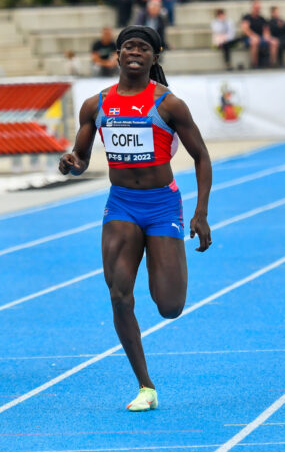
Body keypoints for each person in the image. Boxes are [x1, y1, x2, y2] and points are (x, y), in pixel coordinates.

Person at [58, 25, 212, 411]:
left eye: (143, 48)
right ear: (118, 54)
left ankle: (159, 266)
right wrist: (71, 163)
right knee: (119, 295)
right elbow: (81, 158)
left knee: (169, 306)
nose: (134, 52)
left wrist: (201, 212)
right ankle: (146, 385)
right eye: (128, 46)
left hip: (162, 205)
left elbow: (202, 157)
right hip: (121, 204)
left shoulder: (168, 105)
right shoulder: (96, 105)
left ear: (154, 57)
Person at [240, 0, 278, 68]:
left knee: (274, 42)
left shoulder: (262, 18)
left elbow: (266, 31)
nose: (257, 9)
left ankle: (272, 63)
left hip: (261, 38)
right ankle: (255, 64)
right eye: (256, 8)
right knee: (255, 41)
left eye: (258, 8)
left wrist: (267, 37)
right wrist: (253, 36)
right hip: (249, 38)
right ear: (252, 8)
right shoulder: (247, 17)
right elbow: (245, 29)